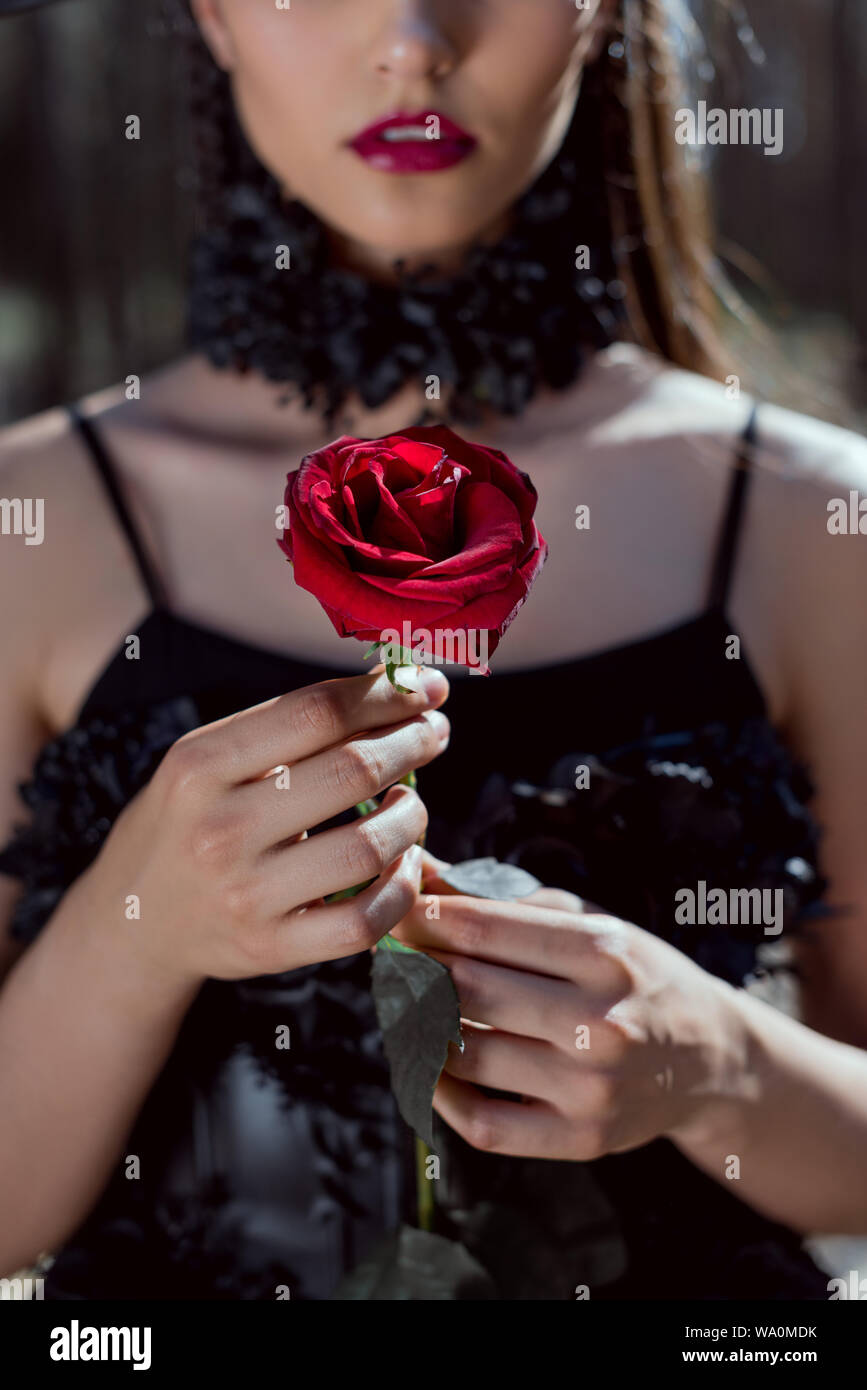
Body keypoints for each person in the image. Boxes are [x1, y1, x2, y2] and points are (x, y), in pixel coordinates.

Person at [0, 0, 865, 1300]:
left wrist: (713, 1061)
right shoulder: (37, 520)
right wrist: (132, 934)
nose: (414, 39)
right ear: (216, 14)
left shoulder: (812, 514)